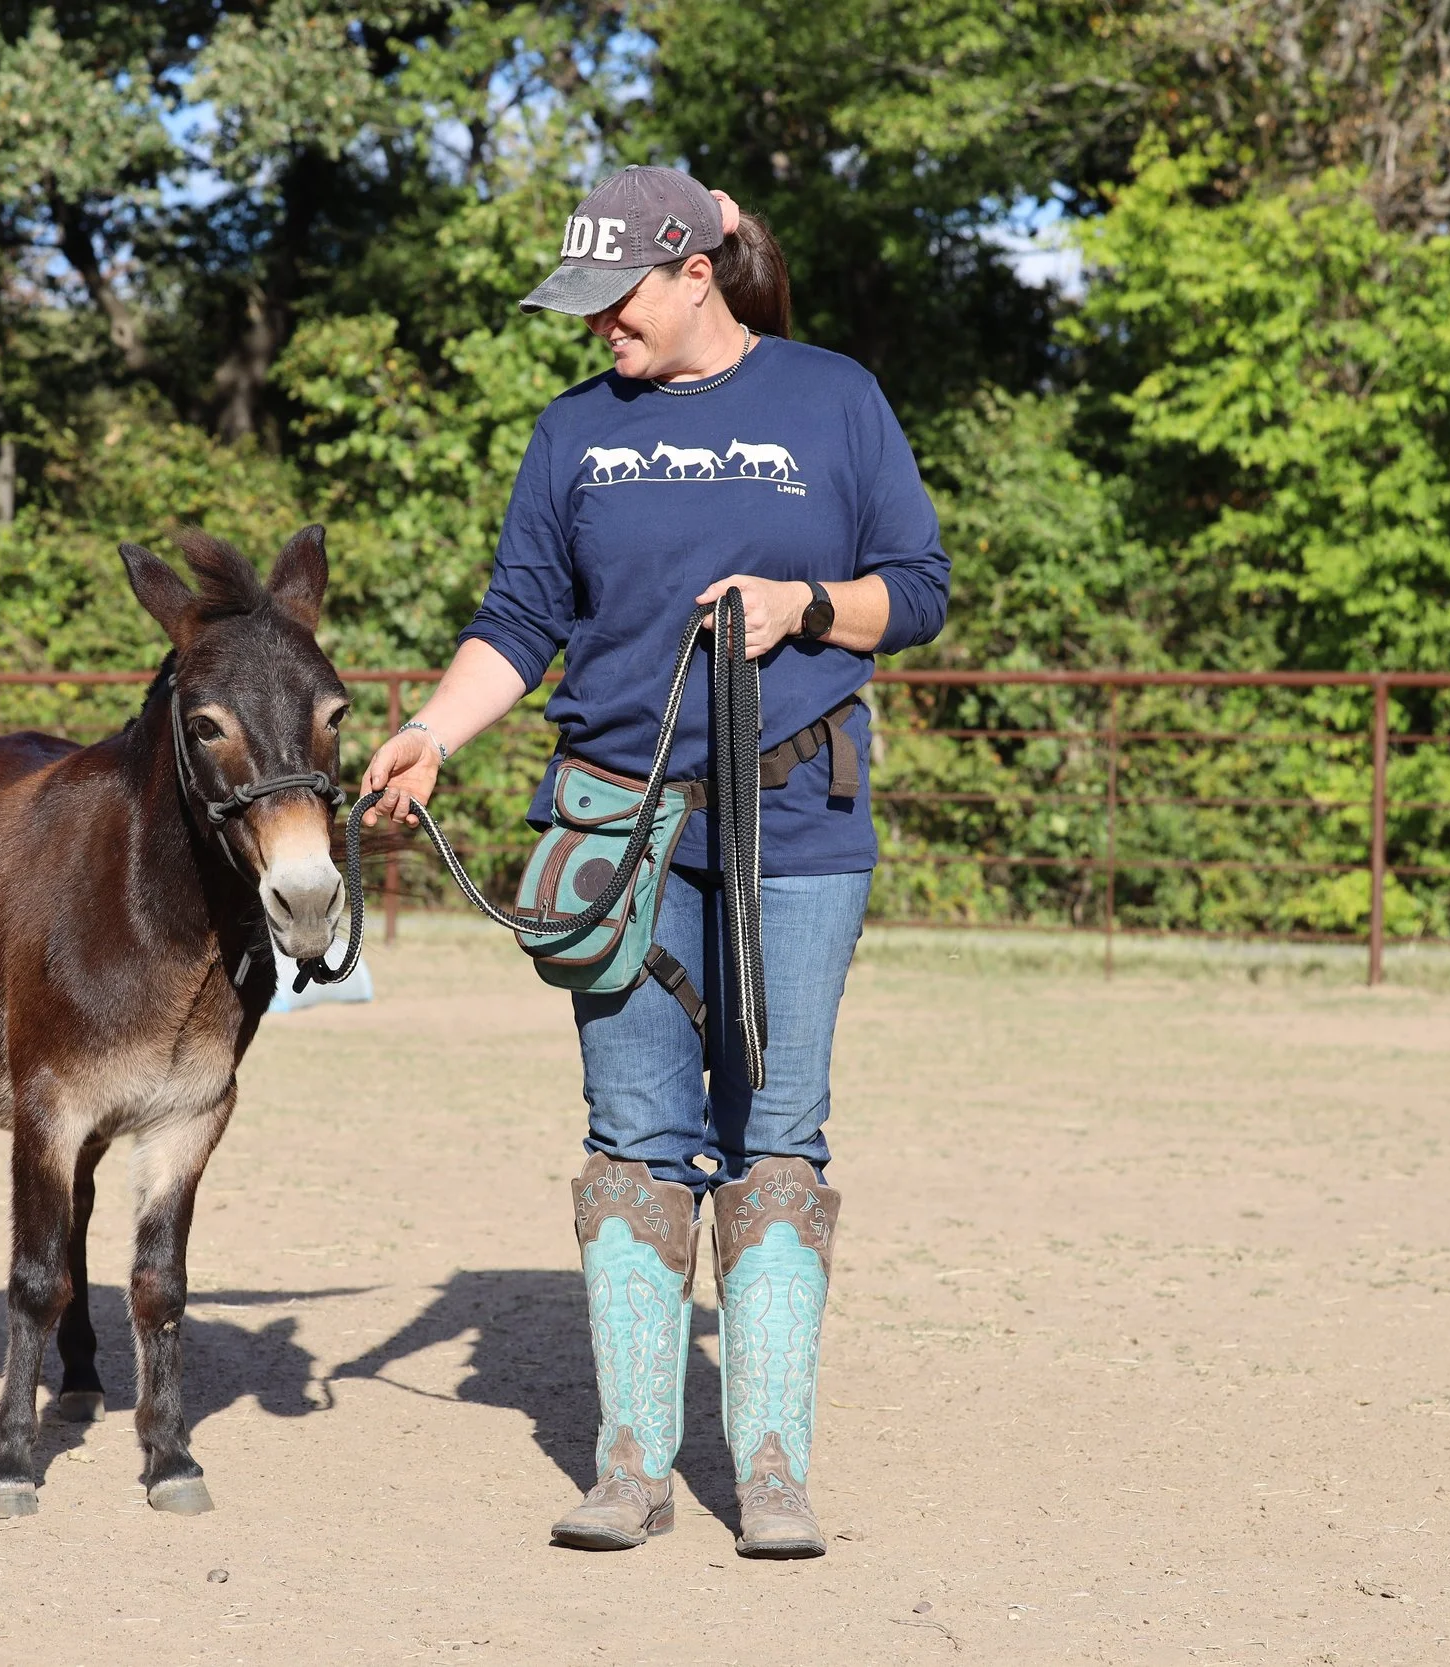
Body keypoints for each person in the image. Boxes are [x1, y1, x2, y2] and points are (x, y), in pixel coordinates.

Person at [358, 166, 950, 1557]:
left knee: (777, 1132)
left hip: (798, 830)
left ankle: (774, 1471)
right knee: (632, 1133)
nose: (593, 329)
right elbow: (518, 618)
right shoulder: (574, 433)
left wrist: (804, 604)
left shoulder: (834, 398)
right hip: (617, 830)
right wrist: (432, 733)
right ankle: (629, 1464)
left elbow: (914, 589)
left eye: (613, 299)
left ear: (696, 273)